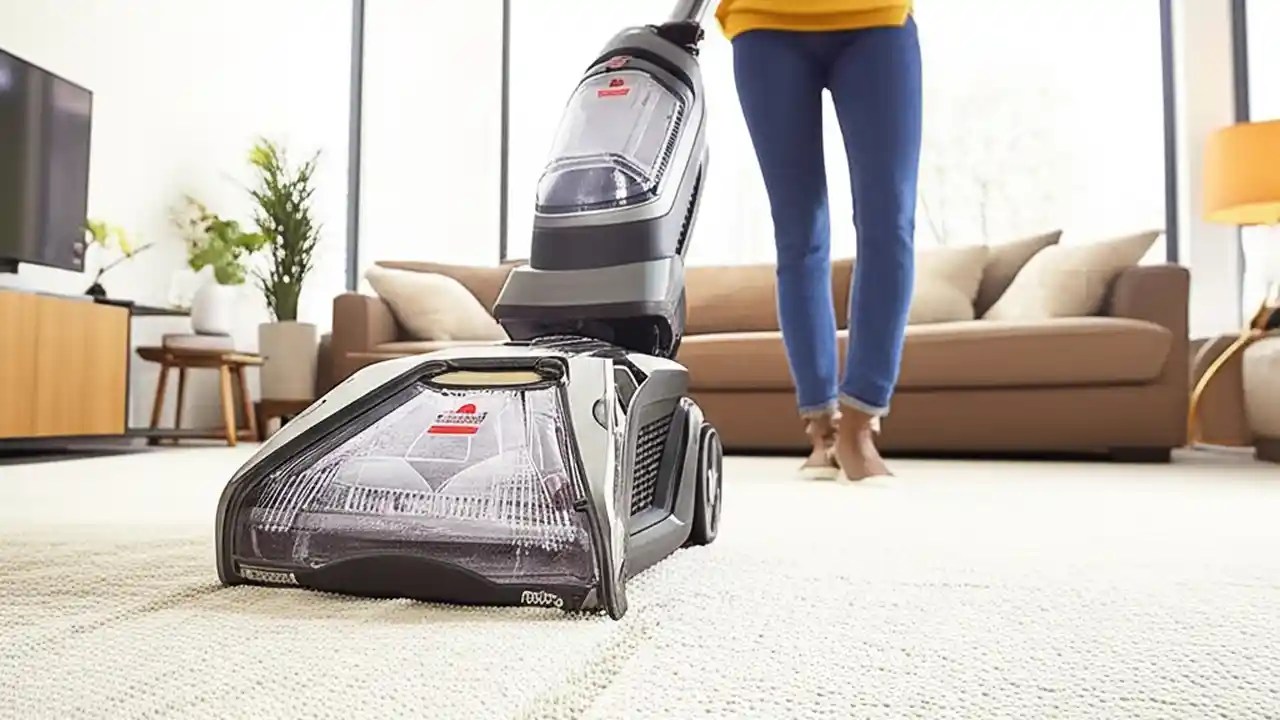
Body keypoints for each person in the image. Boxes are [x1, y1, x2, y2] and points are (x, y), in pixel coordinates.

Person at [713, 0, 921, 482]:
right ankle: (820, 424)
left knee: (889, 221)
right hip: (763, 22)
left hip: (876, 20)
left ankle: (859, 421)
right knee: (799, 231)